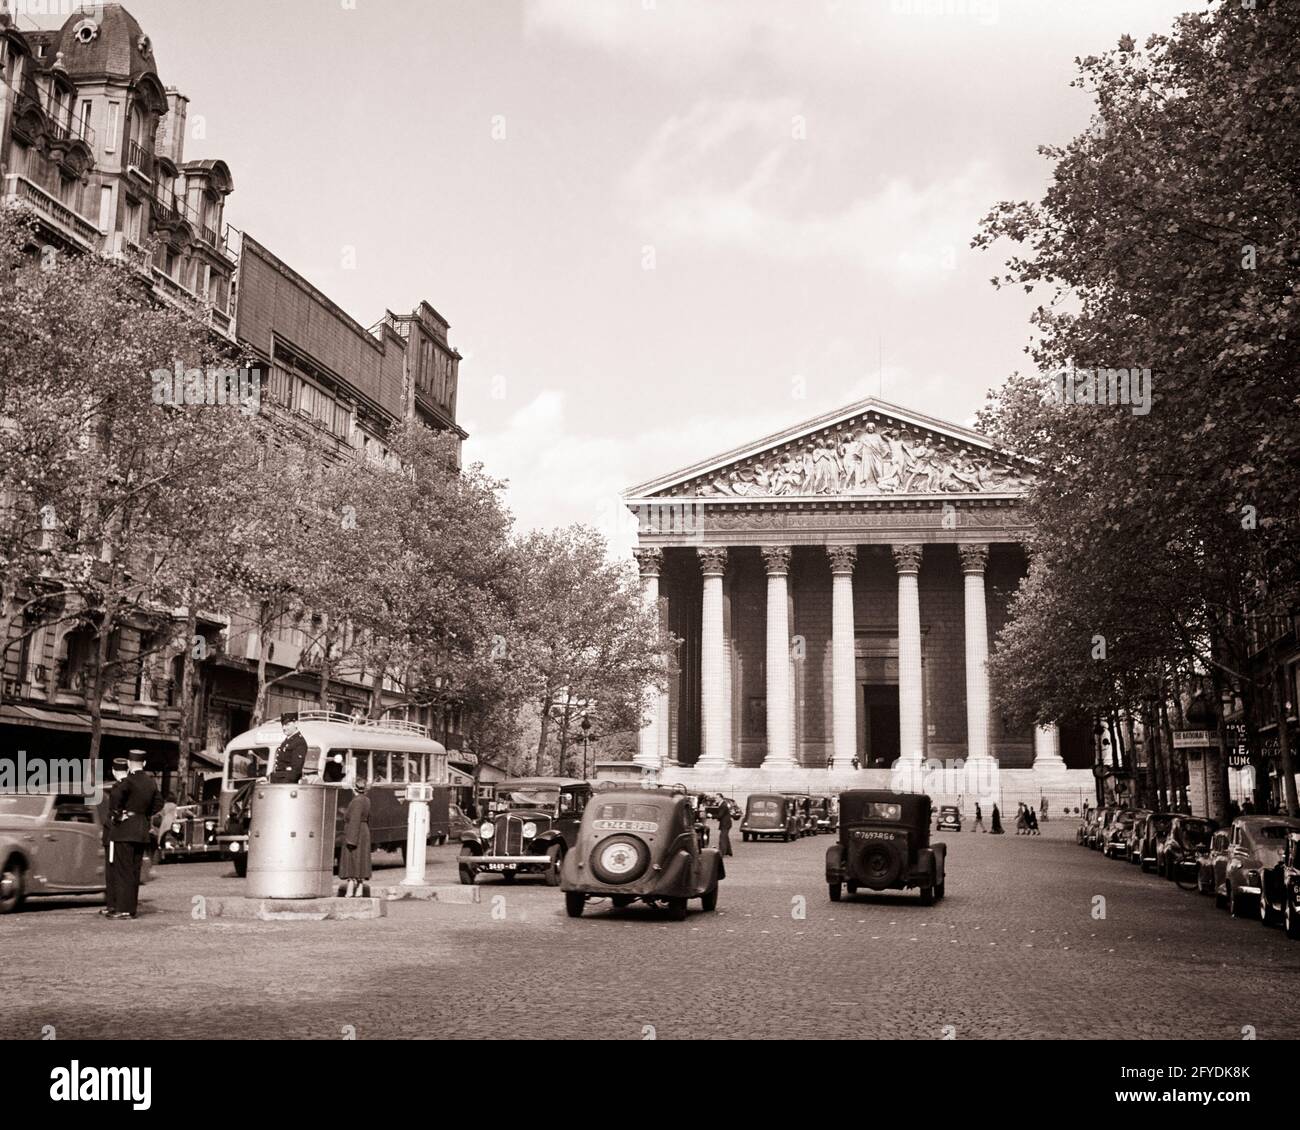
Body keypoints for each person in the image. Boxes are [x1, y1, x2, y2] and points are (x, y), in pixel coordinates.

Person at [107, 749, 162, 919]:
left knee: (123, 870)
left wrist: (118, 814)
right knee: (134, 871)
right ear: (144, 764)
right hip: (141, 830)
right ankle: (131, 909)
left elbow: (115, 796)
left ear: (129, 764)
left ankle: (122, 909)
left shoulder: (127, 781)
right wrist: (144, 815)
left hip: (124, 830)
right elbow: (159, 802)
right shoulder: (151, 782)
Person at [99, 758, 130, 917]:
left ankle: (113, 904)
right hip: (123, 833)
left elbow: (114, 811)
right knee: (119, 870)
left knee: (112, 870)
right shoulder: (132, 786)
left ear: (113, 770)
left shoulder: (118, 788)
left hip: (114, 831)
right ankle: (116, 904)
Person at [339, 779, 372, 897]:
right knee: (361, 860)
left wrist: (351, 839)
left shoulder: (356, 801)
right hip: (363, 831)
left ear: (354, 788)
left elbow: (354, 819)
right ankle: (360, 889)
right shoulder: (366, 800)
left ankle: (350, 889)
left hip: (355, 832)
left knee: (352, 860)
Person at [269, 719, 308, 784]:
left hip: (286, 785)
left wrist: (280, 786)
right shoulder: (287, 741)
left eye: (287, 725)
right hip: (278, 782)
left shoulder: (299, 742)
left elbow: (295, 772)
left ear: (296, 723)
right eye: (283, 725)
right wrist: (269, 778)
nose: (284, 728)